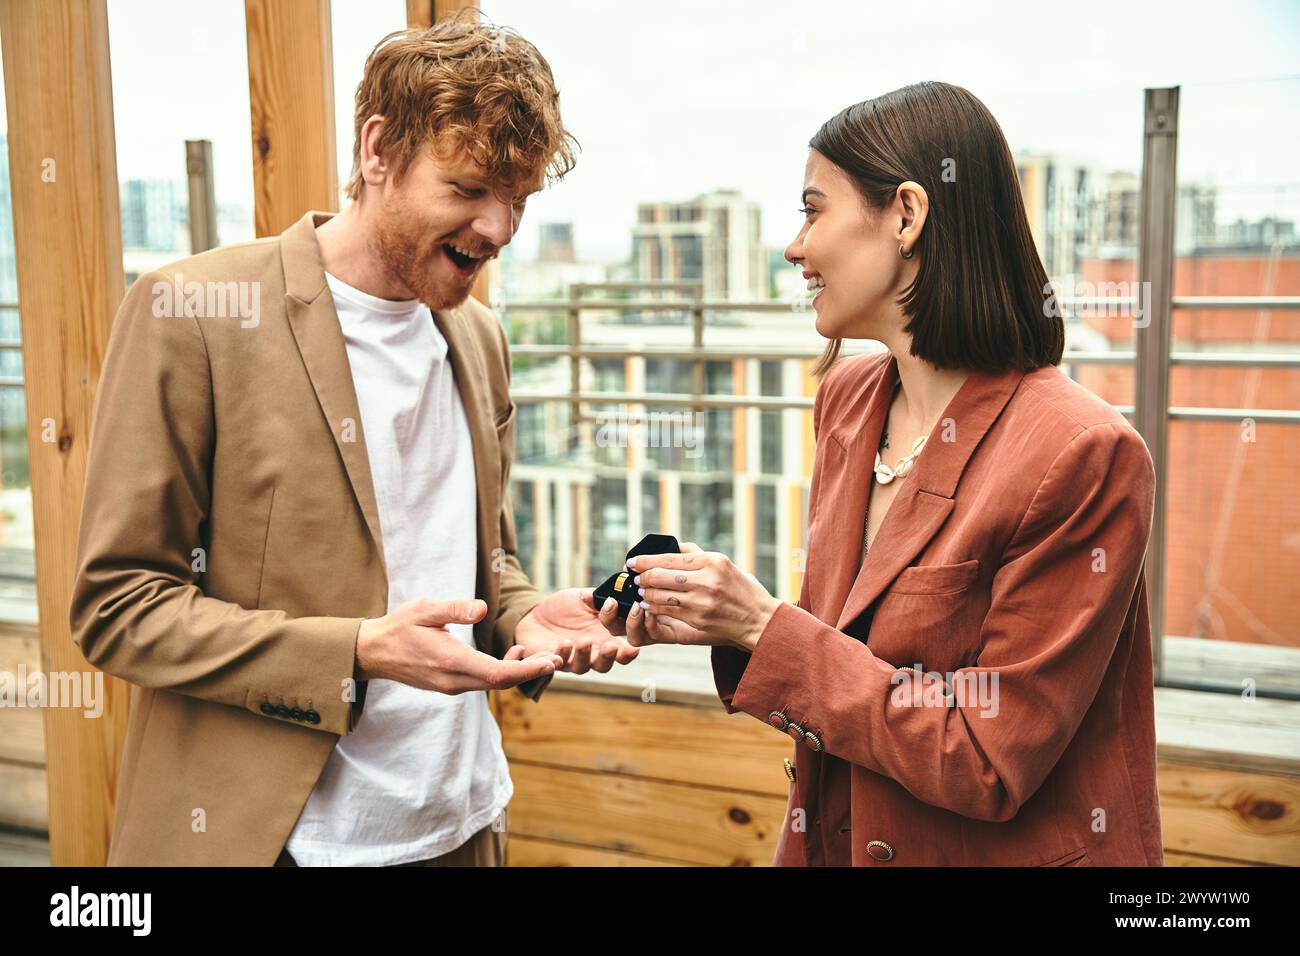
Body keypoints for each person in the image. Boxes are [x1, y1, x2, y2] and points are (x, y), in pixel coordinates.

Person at [69, 15, 636, 867]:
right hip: (276, 845)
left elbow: (481, 562)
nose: (499, 229)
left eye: (519, 198)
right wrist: (357, 652)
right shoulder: (191, 312)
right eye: (470, 187)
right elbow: (117, 608)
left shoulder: (479, 339)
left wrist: (526, 616)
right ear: (378, 150)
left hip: (465, 825)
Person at [601, 81, 1164, 867]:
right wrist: (725, 626)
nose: (794, 248)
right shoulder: (849, 401)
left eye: (811, 209)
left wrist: (767, 627)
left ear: (906, 214)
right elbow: (846, 662)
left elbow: (987, 758)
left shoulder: (1083, 454)